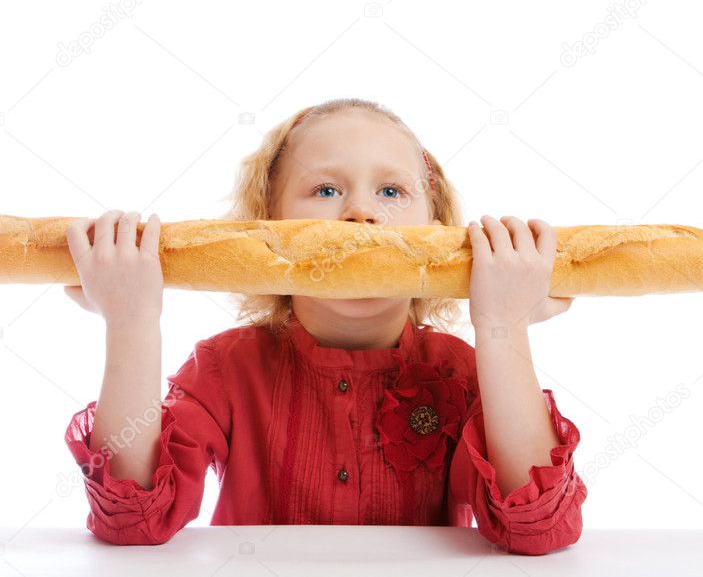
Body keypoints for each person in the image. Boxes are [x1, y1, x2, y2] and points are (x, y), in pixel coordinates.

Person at [62, 97, 586, 555]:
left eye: (391, 191)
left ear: (437, 233)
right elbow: (131, 522)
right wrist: (131, 322)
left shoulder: (465, 371)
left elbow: (536, 527)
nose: (361, 212)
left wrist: (504, 327)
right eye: (327, 189)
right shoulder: (224, 371)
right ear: (267, 230)